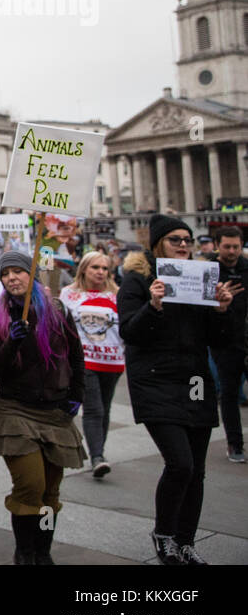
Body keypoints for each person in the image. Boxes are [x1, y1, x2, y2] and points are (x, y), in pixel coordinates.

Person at [118, 215, 239, 564]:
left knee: (197, 469)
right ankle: (164, 534)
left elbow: (219, 340)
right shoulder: (137, 280)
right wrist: (153, 306)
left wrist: (221, 311)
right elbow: (129, 331)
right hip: (155, 380)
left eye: (187, 239)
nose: (183, 244)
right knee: (180, 463)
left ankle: (186, 542)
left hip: (195, 381)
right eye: (175, 239)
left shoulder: (199, 278)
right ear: (158, 244)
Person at [0, 250, 85, 565]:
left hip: (55, 411)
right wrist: (12, 341)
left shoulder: (56, 310)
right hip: (16, 410)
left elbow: (76, 355)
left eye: (18, 271)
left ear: (31, 274)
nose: (12, 278)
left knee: (50, 492)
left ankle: (43, 551)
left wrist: (76, 394)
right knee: (31, 485)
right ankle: (24, 551)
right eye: (5, 273)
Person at [60, 250, 124, 479]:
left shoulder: (118, 295)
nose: (100, 272)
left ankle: (99, 451)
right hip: (84, 361)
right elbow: (61, 326)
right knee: (94, 408)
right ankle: (97, 456)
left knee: (104, 409)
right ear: (84, 269)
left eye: (105, 268)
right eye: (95, 267)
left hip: (113, 361)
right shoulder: (69, 294)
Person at [210, 226, 248, 463]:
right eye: (227, 246)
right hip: (224, 341)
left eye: (236, 246)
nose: (232, 251)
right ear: (218, 246)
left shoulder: (246, 268)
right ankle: (234, 444)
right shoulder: (210, 269)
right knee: (229, 393)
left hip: (246, 336)